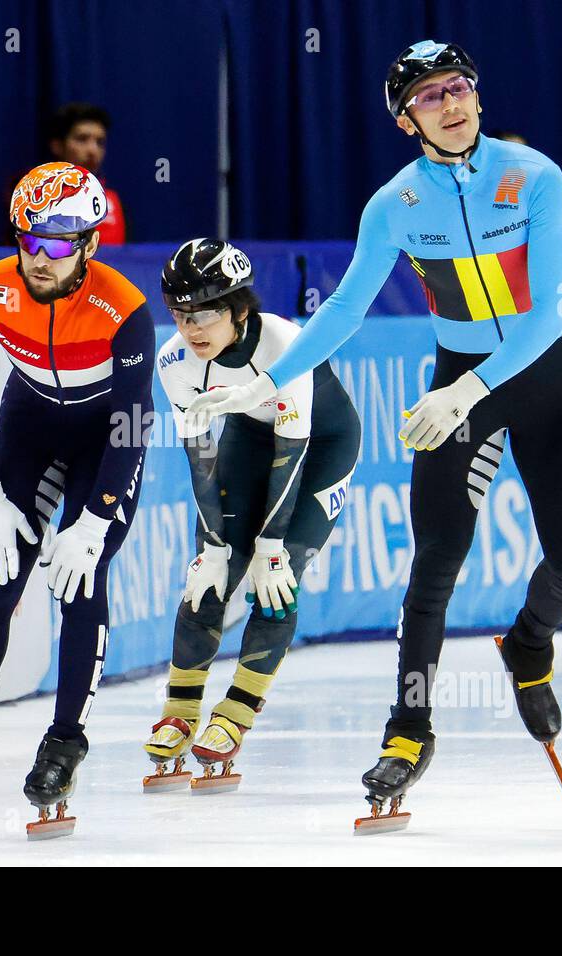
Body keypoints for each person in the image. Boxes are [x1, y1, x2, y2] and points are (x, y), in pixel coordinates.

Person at [185, 41, 562, 829]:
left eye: (459, 87)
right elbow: (345, 309)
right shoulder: (394, 205)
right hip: (461, 380)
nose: (451, 104)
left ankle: (529, 644)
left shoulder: (535, 177)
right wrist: (267, 381)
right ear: (408, 120)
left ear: (477, 94)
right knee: (437, 562)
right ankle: (408, 732)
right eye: (430, 97)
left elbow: (549, 313)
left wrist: (468, 390)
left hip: (542, 376)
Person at [0, 162, 155, 839]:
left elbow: (133, 420)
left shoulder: (124, 307)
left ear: (89, 244)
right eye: (28, 241)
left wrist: (98, 514)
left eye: (57, 244)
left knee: (81, 582)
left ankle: (64, 743)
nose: (39, 258)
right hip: (26, 426)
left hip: (103, 439)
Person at [141, 239, 361, 792]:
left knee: (276, 580)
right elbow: (201, 459)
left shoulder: (287, 342)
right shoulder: (174, 362)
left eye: (206, 311)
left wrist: (271, 547)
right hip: (247, 440)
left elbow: (292, 453)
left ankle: (236, 713)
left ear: (240, 308)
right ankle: (180, 709)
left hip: (319, 448)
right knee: (207, 579)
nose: (192, 327)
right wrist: (214, 546)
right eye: (180, 312)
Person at [47, 103, 126, 244]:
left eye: (100, 142)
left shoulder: (113, 200)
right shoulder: (35, 200)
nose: (92, 150)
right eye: (82, 139)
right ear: (57, 146)